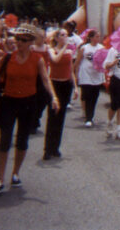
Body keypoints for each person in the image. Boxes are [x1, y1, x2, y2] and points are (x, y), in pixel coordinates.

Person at [0, 24, 59, 193]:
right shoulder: (6, 58)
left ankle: (15, 173)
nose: (18, 42)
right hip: (8, 102)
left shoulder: (37, 59)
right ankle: (0, 179)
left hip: (28, 103)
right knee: (4, 141)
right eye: (17, 39)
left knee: (22, 140)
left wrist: (54, 97)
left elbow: (45, 79)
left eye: (23, 40)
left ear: (30, 42)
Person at [43, 29, 78, 160]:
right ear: (57, 38)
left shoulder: (69, 52)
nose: (65, 37)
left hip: (65, 85)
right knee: (53, 116)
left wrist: (75, 87)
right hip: (55, 84)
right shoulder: (52, 50)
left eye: (66, 35)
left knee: (61, 117)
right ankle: (47, 148)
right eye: (62, 35)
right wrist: (64, 47)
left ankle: (55, 147)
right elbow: (55, 60)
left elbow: (71, 71)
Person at [74, 29, 105, 127]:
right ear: (91, 38)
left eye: (99, 36)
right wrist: (75, 73)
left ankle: (91, 114)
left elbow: (105, 61)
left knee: (94, 96)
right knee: (87, 95)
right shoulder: (84, 48)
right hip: (86, 74)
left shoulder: (101, 48)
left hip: (97, 75)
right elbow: (78, 62)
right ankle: (88, 118)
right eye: (96, 36)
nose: (98, 38)